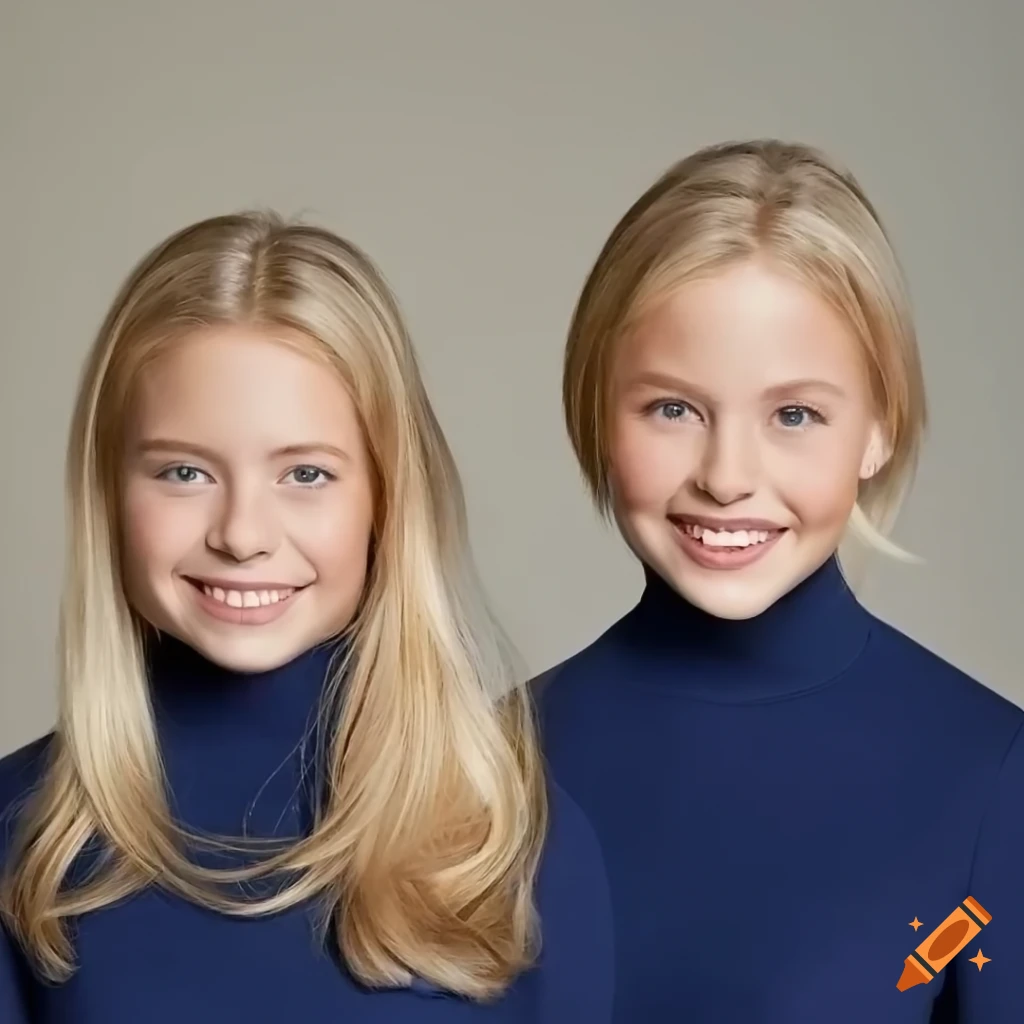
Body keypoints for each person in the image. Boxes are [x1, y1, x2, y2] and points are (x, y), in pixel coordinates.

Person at [0, 212, 613, 1023]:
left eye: (306, 474)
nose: (243, 535)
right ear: (109, 496)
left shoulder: (510, 844)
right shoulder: (22, 840)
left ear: (385, 499)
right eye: (184, 471)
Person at [535, 140, 1024, 1023]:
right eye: (673, 409)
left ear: (879, 428)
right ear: (597, 412)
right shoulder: (480, 766)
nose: (727, 475)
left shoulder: (994, 778)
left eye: (794, 414)